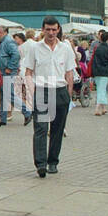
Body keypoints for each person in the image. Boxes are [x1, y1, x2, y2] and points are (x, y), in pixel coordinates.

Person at [25, 16, 75, 178]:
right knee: (40, 129)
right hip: (42, 90)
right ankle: (40, 164)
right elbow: (28, 72)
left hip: (60, 90)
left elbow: (69, 73)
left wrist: (68, 95)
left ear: (58, 30)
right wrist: (33, 92)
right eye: (48, 29)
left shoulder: (65, 48)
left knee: (57, 130)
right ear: (43, 30)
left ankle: (53, 161)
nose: (51, 33)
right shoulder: (35, 48)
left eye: (54, 29)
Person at [0, 26, 21, 126]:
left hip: (7, 72)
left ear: (1, 31)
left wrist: (10, 67)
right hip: (3, 72)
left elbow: (16, 55)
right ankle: (2, 118)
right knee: (3, 95)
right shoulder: (3, 41)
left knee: (8, 94)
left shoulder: (8, 41)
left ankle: (27, 112)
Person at [90, 31, 108, 116]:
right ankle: (97, 108)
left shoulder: (97, 47)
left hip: (97, 70)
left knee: (100, 88)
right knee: (102, 89)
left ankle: (103, 108)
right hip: (106, 71)